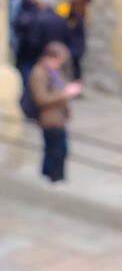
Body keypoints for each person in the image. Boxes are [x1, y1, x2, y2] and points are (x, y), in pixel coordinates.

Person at [28, 41, 81, 182]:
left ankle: (53, 176)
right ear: (50, 57)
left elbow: (60, 87)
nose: (60, 64)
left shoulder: (54, 71)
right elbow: (41, 98)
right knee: (55, 150)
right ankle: (52, 176)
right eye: (59, 61)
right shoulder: (39, 72)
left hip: (59, 117)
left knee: (58, 149)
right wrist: (65, 93)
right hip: (49, 118)